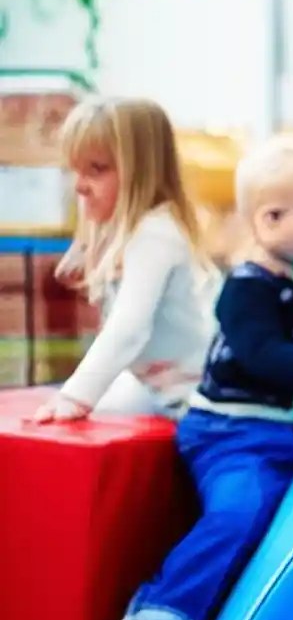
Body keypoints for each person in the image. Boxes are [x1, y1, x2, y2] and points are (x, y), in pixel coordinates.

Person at [123, 139, 293, 620]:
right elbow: (264, 355)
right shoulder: (247, 286)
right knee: (238, 510)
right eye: (283, 214)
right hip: (231, 432)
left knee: (268, 521)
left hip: (285, 434)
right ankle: (159, 613)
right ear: (258, 224)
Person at [31, 97, 219, 423]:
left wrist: (76, 396)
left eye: (97, 169)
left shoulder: (155, 234)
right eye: (74, 170)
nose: (79, 186)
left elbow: (129, 330)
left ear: (142, 172)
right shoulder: (129, 231)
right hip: (159, 385)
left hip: (190, 395)